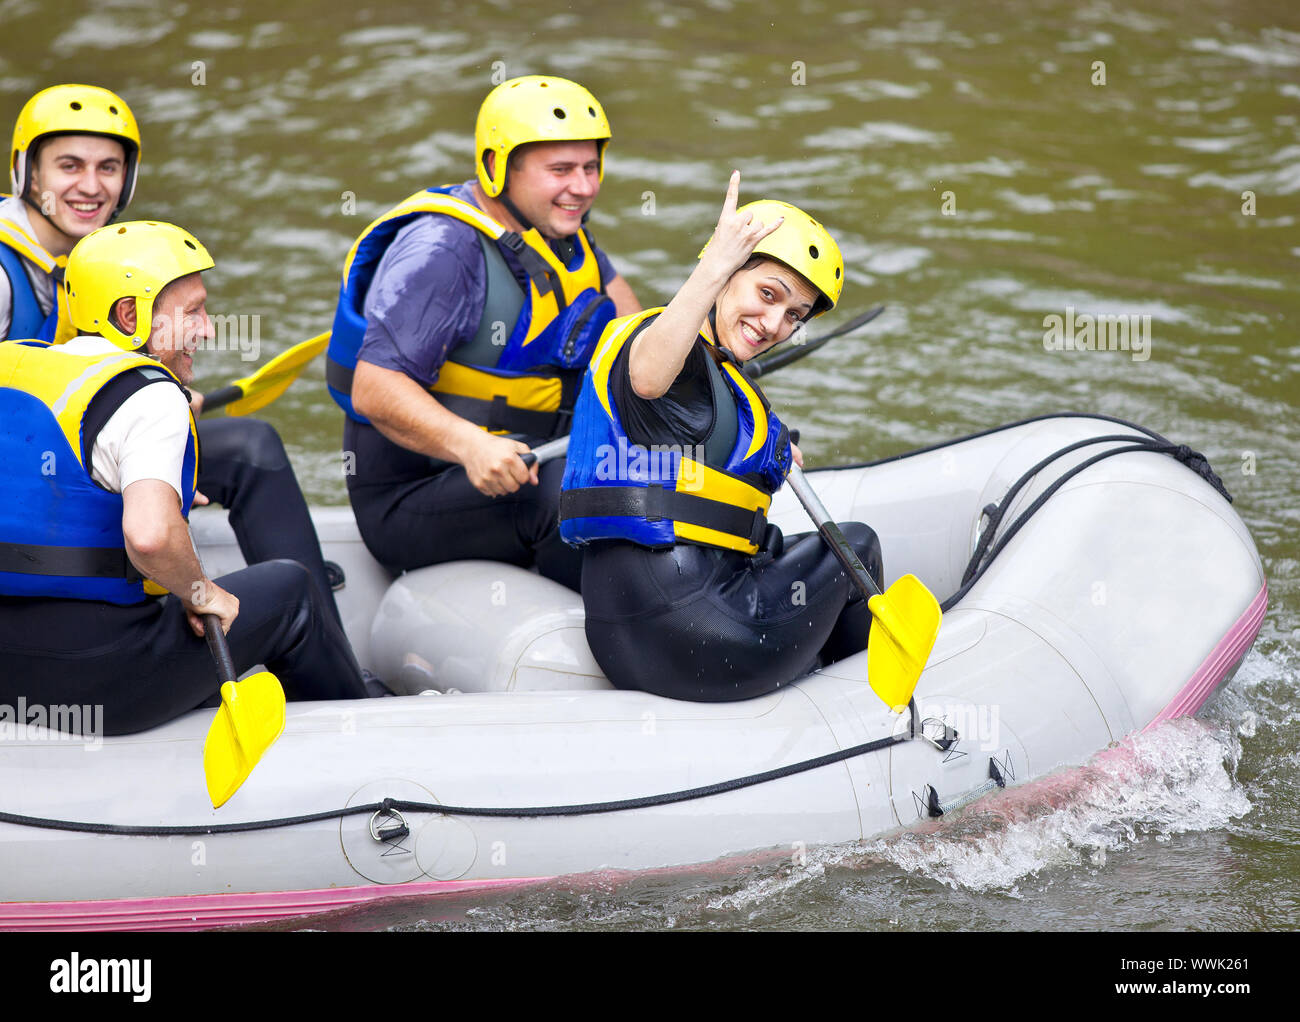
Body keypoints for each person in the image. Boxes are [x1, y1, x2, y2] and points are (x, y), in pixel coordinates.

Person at [0, 220, 367, 736]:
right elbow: (148, 537)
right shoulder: (152, 396)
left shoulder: (14, 368)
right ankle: (366, 734)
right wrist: (202, 593)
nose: (210, 328)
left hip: (7, 674)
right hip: (101, 681)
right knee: (292, 589)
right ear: (130, 314)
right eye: (193, 310)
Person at [3, 84, 346, 625]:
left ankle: (319, 625)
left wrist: (157, 432)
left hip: (69, 447)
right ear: (27, 172)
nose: (90, 187)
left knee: (253, 447)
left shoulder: (100, 258)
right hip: (25, 469)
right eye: (70, 165)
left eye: (109, 168)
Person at [559, 172, 883, 700]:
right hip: (701, 634)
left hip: (624, 632)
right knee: (858, 547)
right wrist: (712, 267)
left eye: (793, 315)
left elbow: (700, 453)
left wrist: (771, 452)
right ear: (725, 271)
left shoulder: (718, 373)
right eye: (767, 293)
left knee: (776, 547)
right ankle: (866, 713)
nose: (774, 322)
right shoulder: (666, 346)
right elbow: (649, 376)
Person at [327, 75, 640, 590]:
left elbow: (634, 343)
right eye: (560, 169)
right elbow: (374, 387)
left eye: (590, 167)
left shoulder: (563, 231)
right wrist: (471, 445)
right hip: (415, 495)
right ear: (497, 169)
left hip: (532, 457)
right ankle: (633, 631)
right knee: (564, 492)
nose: (582, 187)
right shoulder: (443, 251)